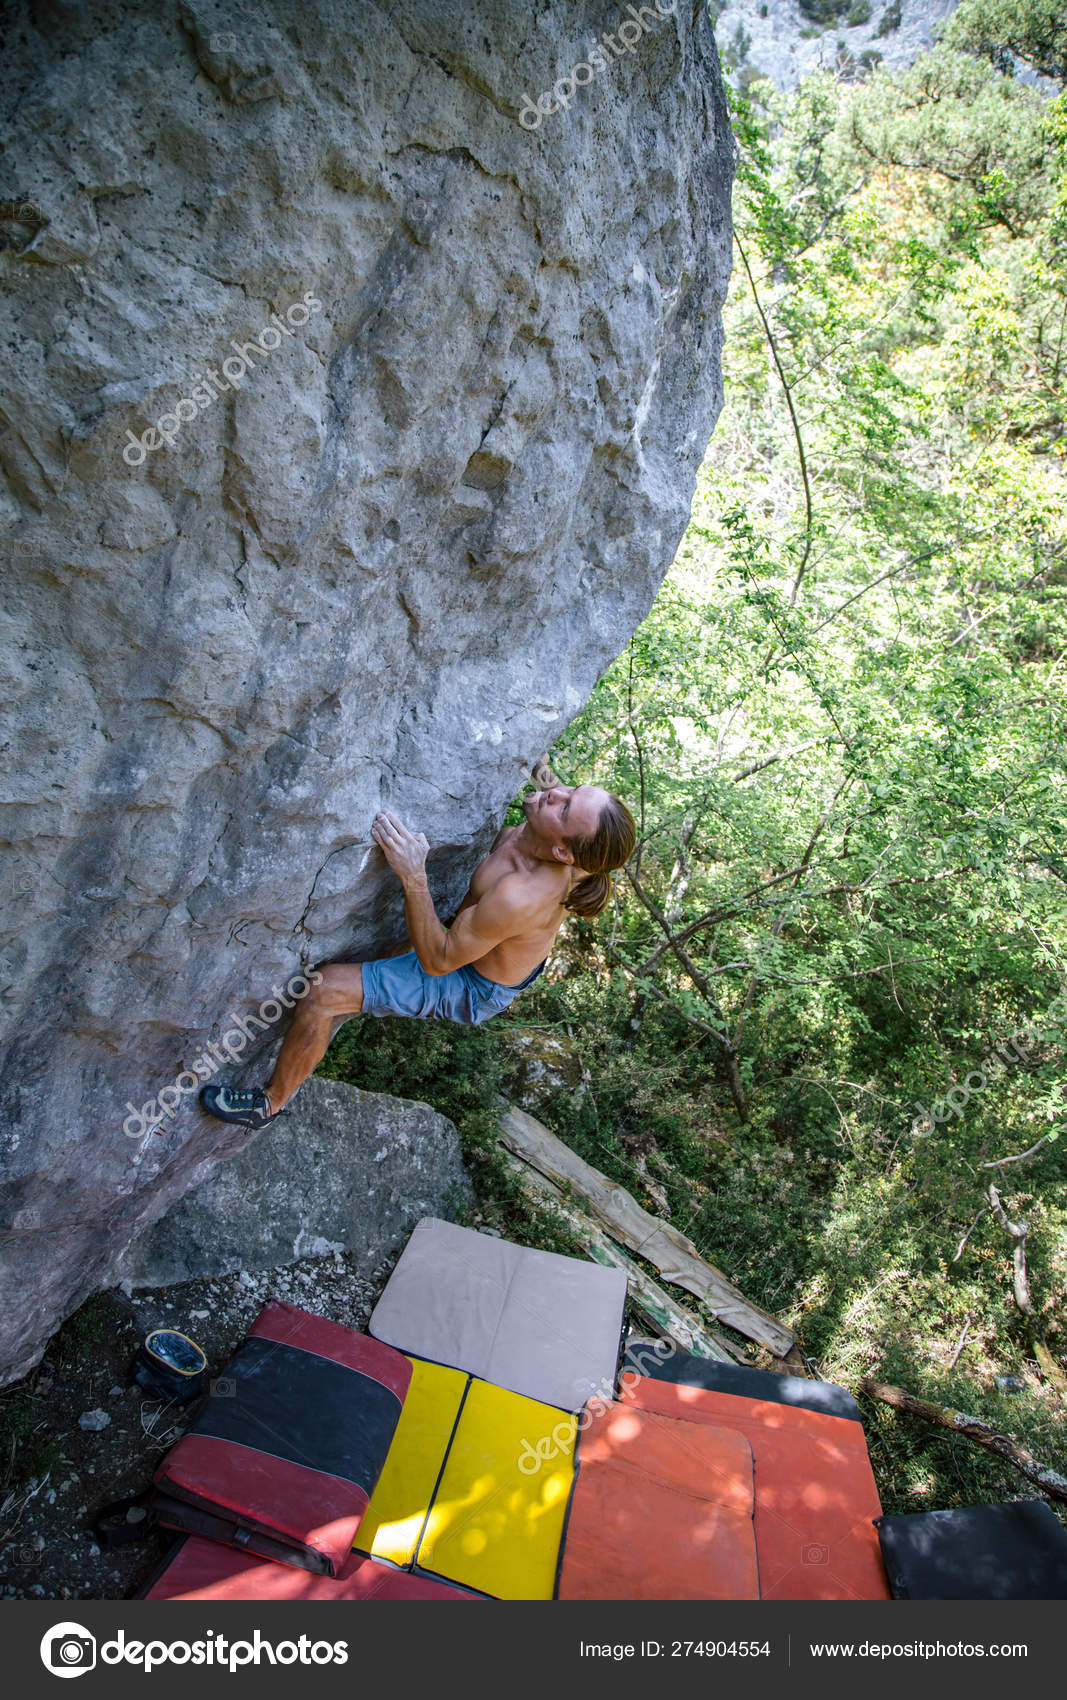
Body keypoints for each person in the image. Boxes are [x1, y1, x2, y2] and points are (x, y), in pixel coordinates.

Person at [199, 782, 635, 1129]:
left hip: (471, 982)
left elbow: (438, 961)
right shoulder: (557, 830)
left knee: (322, 991)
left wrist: (413, 875)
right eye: (573, 789)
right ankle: (361, 996)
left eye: (565, 807)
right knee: (387, 953)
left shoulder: (522, 895)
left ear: (563, 853)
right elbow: (559, 798)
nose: (556, 793)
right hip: (488, 942)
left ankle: (269, 1104)